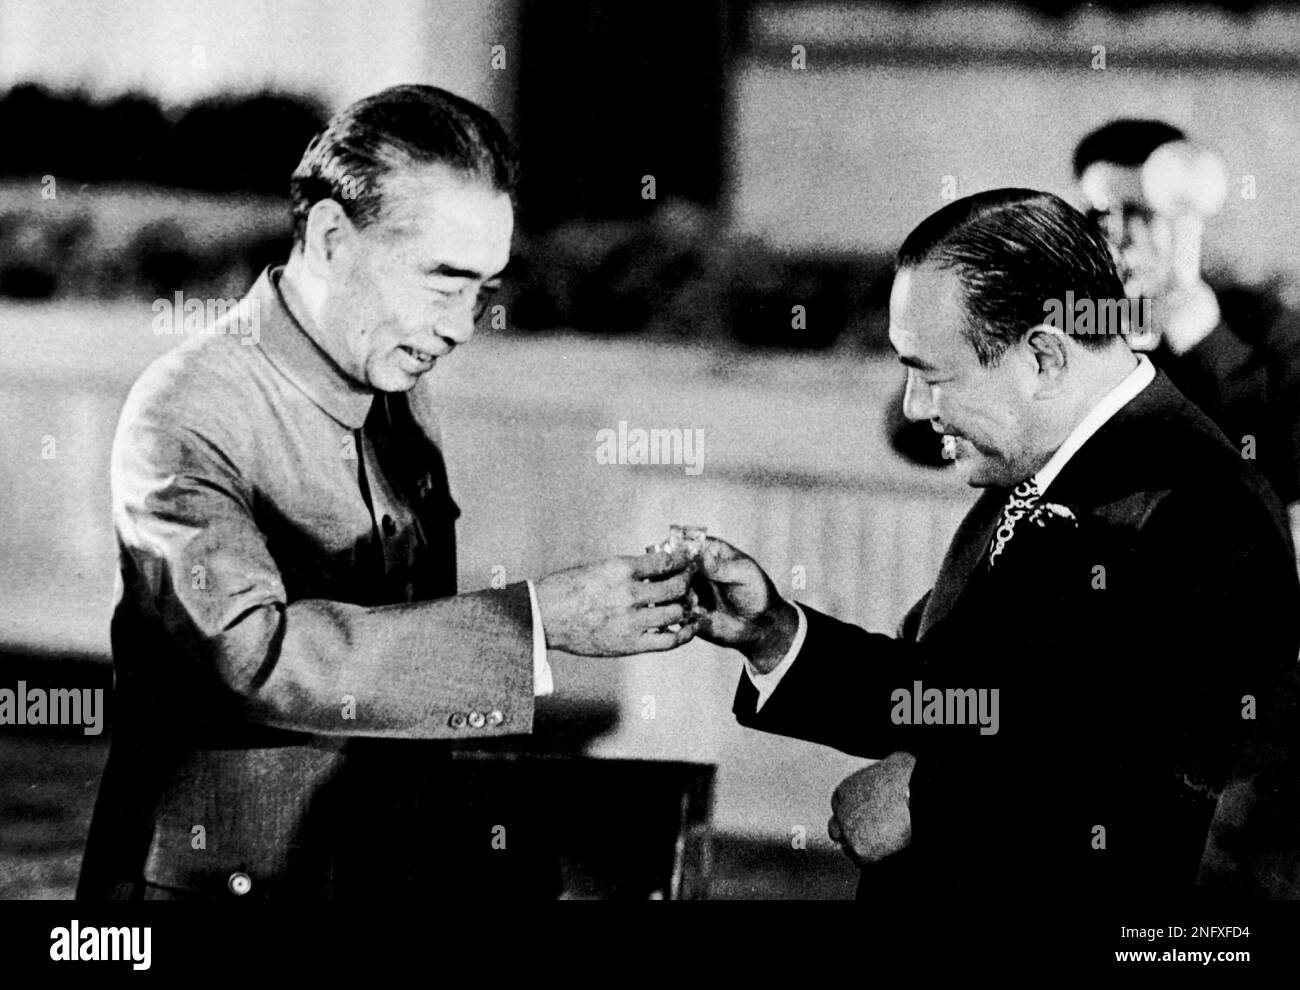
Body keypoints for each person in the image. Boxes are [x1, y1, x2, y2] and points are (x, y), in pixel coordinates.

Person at [77, 85, 697, 901]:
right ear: (333, 238)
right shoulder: (188, 407)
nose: (464, 324)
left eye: (484, 288)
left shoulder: (391, 378)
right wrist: (540, 624)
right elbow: (251, 659)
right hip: (216, 884)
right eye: (442, 282)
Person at [690, 189, 1300, 899]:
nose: (915, 408)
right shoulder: (1034, 463)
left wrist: (931, 799)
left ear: (1043, 357)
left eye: (932, 375)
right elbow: (961, 696)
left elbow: (1164, 777)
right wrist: (775, 635)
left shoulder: (1207, 509)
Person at [888, 120, 1300, 563]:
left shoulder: (1263, 324)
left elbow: (1281, 469)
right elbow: (909, 432)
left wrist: (1204, 339)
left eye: (1140, 213)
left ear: (1186, 215)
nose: (1118, 238)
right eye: (1100, 216)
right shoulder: (1065, 317)